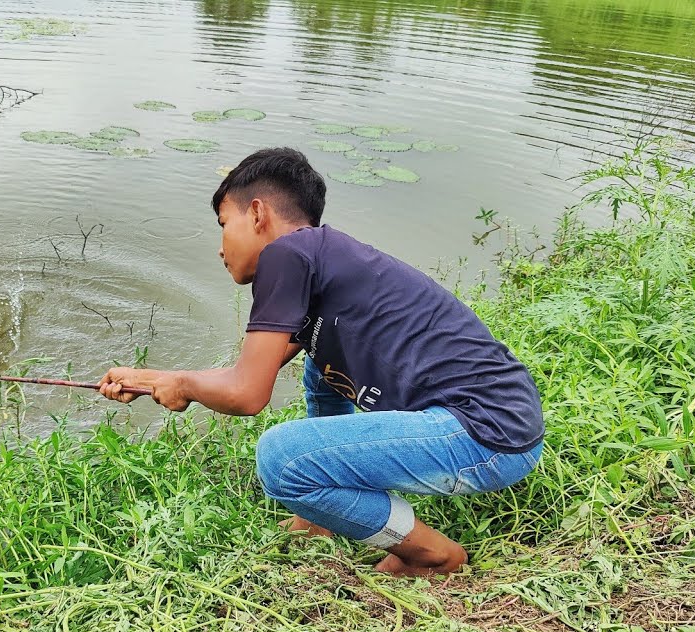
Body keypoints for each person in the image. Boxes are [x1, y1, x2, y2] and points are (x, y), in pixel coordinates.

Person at [99, 147, 544, 577]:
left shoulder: (285, 255)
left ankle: (431, 555)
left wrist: (185, 387)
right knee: (320, 367)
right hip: (504, 427)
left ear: (257, 214)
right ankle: (321, 516)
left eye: (223, 224)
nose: (220, 247)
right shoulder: (321, 258)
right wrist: (154, 379)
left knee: (279, 458)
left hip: (483, 438)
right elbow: (249, 371)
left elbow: (247, 393)